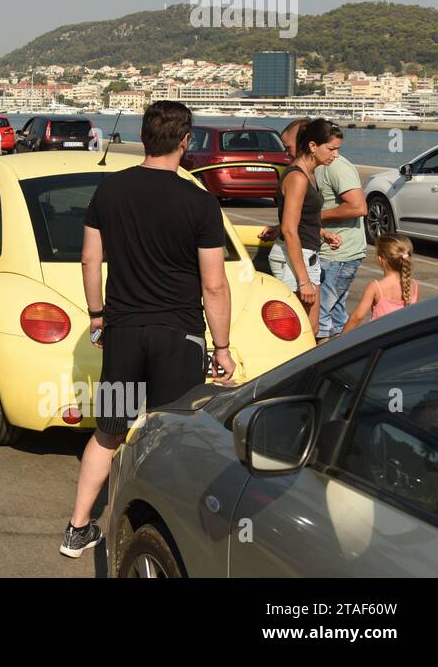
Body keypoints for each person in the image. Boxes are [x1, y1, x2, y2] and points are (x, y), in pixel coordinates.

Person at [62, 100, 233, 559]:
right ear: (185, 141)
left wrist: (97, 316)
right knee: (175, 433)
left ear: (144, 137)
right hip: (179, 336)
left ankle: (78, 528)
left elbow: (89, 259)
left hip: (123, 332)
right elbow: (214, 284)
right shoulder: (199, 202)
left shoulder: (109, 192)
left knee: (111, 429)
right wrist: (223, 346)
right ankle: (172, 533)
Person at [269, 118, 341, 336]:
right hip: (296, 258)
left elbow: (299, 220)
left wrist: (321, 231)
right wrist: (304, 281)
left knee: (311, 328)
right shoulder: (298, 177)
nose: (335, 155)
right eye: (331, 149)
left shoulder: (309, 174)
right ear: (312, 146)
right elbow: (290, 231)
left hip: (306, 254)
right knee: (300, 332)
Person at [315, 125, 368, 341]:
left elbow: (358, 208)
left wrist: (316, 217)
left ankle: (320, 364)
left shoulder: (337, 167)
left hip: (339, 254)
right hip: (333, 252)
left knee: (321, 315)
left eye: (337, 148)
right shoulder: (318, 166)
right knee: (336, 315)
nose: (335, 154)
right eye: (332, 148)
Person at [341, 235, 418, 332]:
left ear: (380, 259)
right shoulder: (414, 286)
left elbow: (357, 317)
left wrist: (341, 337)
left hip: (381, 340)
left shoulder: (376, 287)